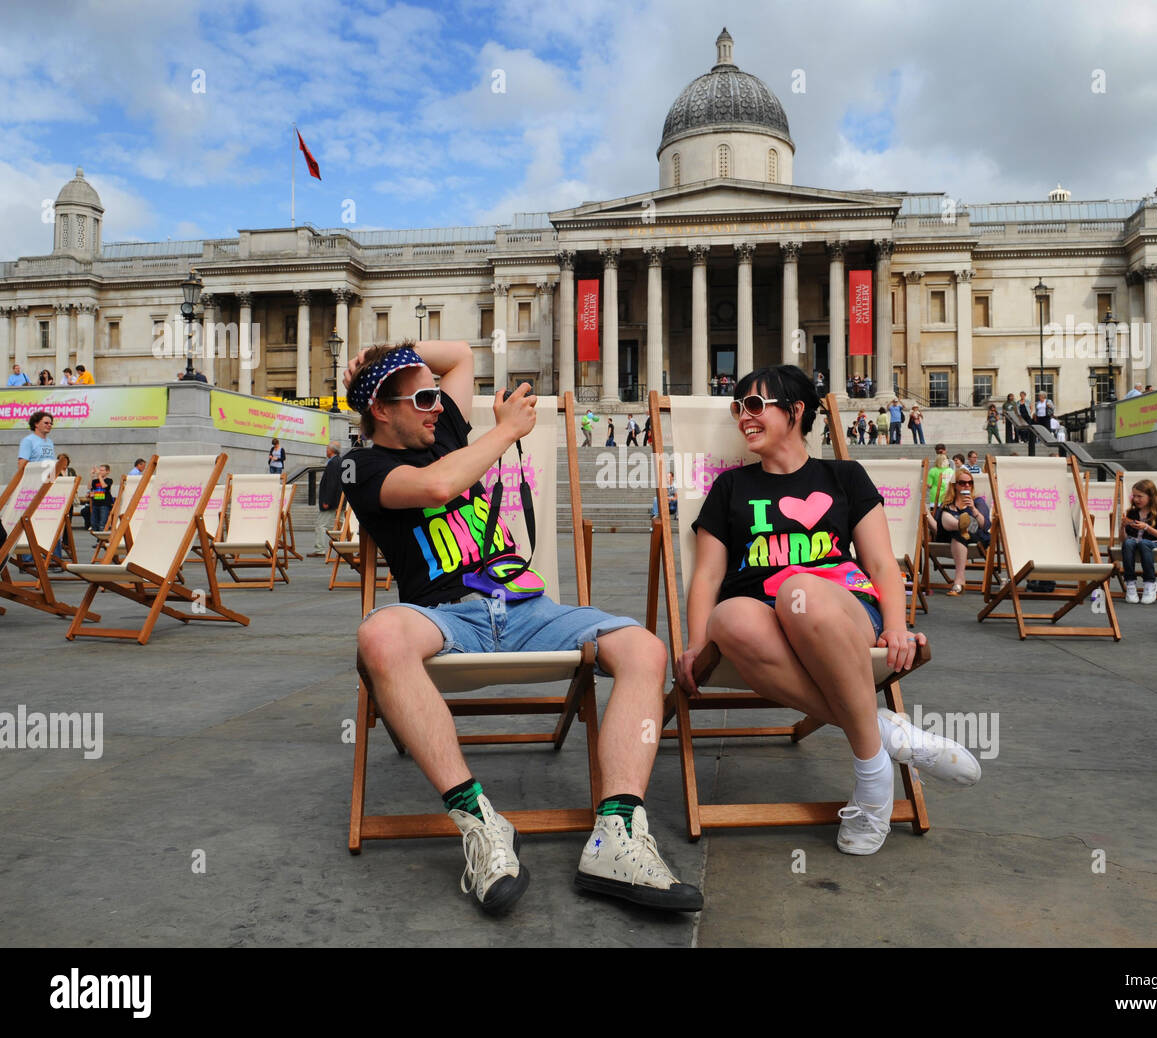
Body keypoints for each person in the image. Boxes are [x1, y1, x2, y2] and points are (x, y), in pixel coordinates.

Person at [341, 340, 702, 914]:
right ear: (382, 411)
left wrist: (395, 350)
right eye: (424, 397)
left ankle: (618, 834)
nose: (438, 406)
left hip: (529, 608)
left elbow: (459, 355)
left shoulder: (447, 432)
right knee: (377, 636)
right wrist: (506, 430)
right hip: (446, 617)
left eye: (439, 397)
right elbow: (436, 487)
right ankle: (481, 825)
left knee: (643, 649)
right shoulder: (360, 465)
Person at [681, 364, 980, 858]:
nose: (743, 418)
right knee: (729, 617)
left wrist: (900, 626)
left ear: (796, 411)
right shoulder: (730, 488)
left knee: (800, 590)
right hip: (759, 618)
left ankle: (870, 777)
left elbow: (882, 562)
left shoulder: (843, 476)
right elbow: (708, 578)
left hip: (841, 607)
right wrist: (695, 646)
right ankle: (883, 733)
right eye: (738, 408)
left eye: (755, 406)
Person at [925, 468, 987, 596]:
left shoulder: (978, 501)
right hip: (945, 534)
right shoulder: (947, 504)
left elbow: (984, 525)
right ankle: (960, 524)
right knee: (947, 516)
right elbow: (939, 527)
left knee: (958, 534)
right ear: (955, 485)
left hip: (973, 535)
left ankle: (959, 580)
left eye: (970, 483)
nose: (967, 485)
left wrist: (973, 509)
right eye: (962, 483)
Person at [1120, 478, 1157, 604]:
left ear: (1151, 496)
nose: (1136, 499)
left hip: (1154, 544)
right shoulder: (1132, 512)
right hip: (1134, 543)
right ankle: (1130, 584)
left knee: (1143, 543)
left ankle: (1149, 583)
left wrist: (1146, 527)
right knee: (1128, 543)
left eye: (1140, 496)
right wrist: (1123, 526)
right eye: (1134, 496)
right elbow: (1123, 540)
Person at [313, 441, 343, 556]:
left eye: (327, 449)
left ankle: (319, 549)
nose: (326, 451)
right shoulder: (340, 461)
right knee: (343, 524)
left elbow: (331, 483)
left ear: (332, 450)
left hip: (331, 501)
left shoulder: (332, 463)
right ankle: (346, 545)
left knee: (320, 524)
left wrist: (327, 501)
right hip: (339, 501)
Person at [87, 464, 115, 532]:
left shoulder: (109, 480)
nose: (100, 472)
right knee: (94, 524)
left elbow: (103, 486)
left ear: (107, 471)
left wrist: (99, 476)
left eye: (102, 470)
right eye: (100, 470)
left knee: (102, 524)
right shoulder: (95, 481)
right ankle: (98, 541)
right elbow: (89, 487)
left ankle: (102, 541)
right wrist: (92, 476)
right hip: (95, 503)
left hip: (104, 504)